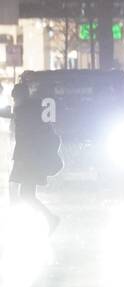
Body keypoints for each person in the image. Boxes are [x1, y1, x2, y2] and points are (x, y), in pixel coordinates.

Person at [9, 81, 61, 232]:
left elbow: (28, 137)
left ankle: (49, 218)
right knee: (26, 194)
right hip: (29, 159)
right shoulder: (30, 108)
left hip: (29, 160)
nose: (15, 101)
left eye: (15, 98)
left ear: (21, 96)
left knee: (26, 194)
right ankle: (47, 218)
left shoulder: (25, 110)